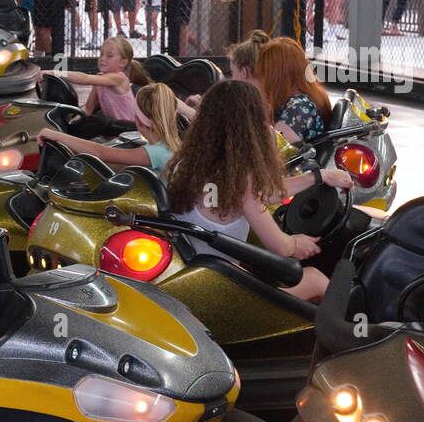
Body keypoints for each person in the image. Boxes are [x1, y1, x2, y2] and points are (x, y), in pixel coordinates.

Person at [165, 79, 353, 302]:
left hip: (192, 275)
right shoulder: (240, 181)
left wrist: (319, 177)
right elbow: (282, 247)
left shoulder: (188, 164)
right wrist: (298, 244)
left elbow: (262, 194)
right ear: (251, 124)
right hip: (215, 291)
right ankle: (357, 333)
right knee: (316, 279)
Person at [37, 81, 184, 175]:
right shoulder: (172, 145)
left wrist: (56, 135)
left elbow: (100, 152)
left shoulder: (155, 153)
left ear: (138, 119)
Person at [253, 36, 332, 143]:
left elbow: (275, 154)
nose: (259, 79)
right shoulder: (305, 98)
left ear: (276, 77)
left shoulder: (297, 109)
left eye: (263, 73)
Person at [66, 36, 156, 122]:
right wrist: (72, 123)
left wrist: (57, 73)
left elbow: (85, 79)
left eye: (109, 56)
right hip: (110, 132)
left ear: (122, 62)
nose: (102, 59)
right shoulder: (100, 78)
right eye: (101, 54)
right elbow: (88, 108)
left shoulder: (119, 78)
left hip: (128, 132)